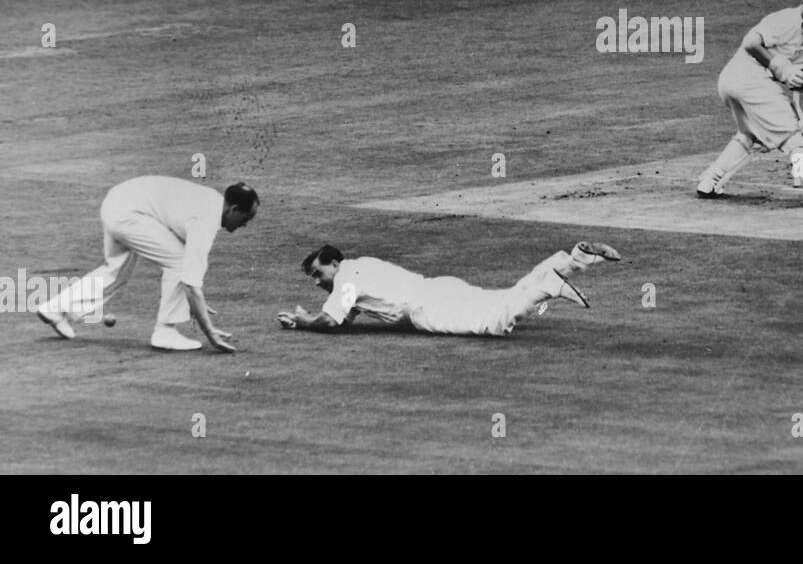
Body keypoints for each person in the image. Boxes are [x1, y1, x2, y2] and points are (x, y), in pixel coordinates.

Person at [35, 177, 259, 351]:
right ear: (234, 209)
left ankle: (54, 308)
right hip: (130, 212)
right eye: (245, 219)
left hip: (117, 201)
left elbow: (188, 276)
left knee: (116, 271)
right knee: (179, 263)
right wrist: (210, 333)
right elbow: (189, 280)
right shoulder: (205, 221)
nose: (244, 225)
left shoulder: (211, 201)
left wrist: (192, 300)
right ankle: (165, 332)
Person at [696, 0, 803, 207]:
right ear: (802, 2)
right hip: (747, 78)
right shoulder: (786, 20)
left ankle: (710, 180)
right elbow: (751, 44)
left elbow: (787, 69)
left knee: (751, 135)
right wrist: (782, 70)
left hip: (735, 83)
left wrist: (799, 80)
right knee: (795, 136)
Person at [277, 240, 621, 336]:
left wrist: (305, 320)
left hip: (427, 308)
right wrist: (309, 318)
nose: (318, 281)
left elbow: (331, 321)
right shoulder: (359, 268)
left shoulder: (346, 278)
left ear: (334, 264)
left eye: (317, 273)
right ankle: (575, 259)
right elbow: (347, 316)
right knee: (506, 297)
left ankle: (549, 285)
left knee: (495, 321)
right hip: (439, 288)